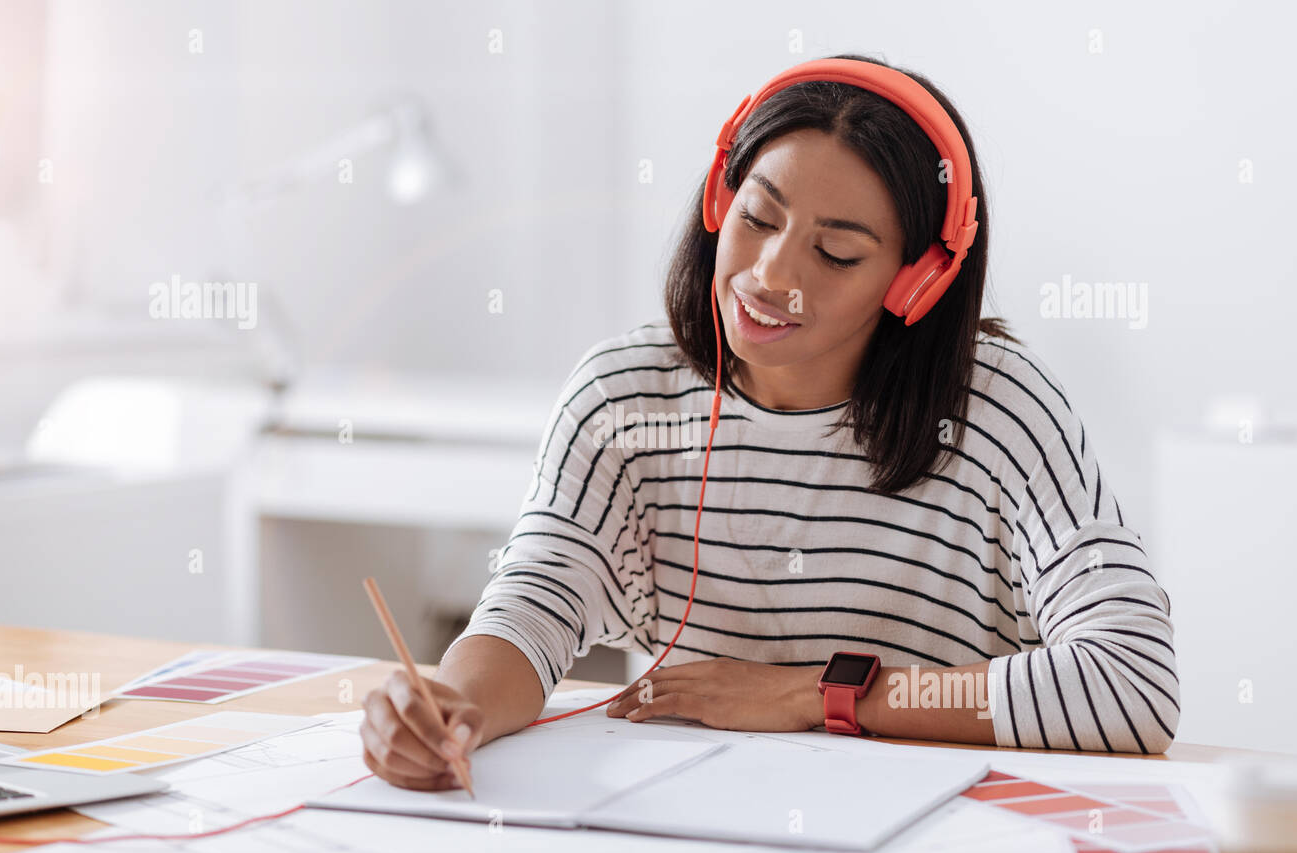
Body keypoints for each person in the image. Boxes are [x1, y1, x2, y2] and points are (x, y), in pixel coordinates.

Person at [361, 53, 1178, 792]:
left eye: (838, 253)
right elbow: (532, 606)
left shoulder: (1001, 410)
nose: (770, 275)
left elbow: (1133, 681)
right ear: (721, 198)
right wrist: (452, 707)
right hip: (695, 820)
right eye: (758, 216)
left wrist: (814, 693)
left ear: (916, 282)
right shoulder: (623, 396)